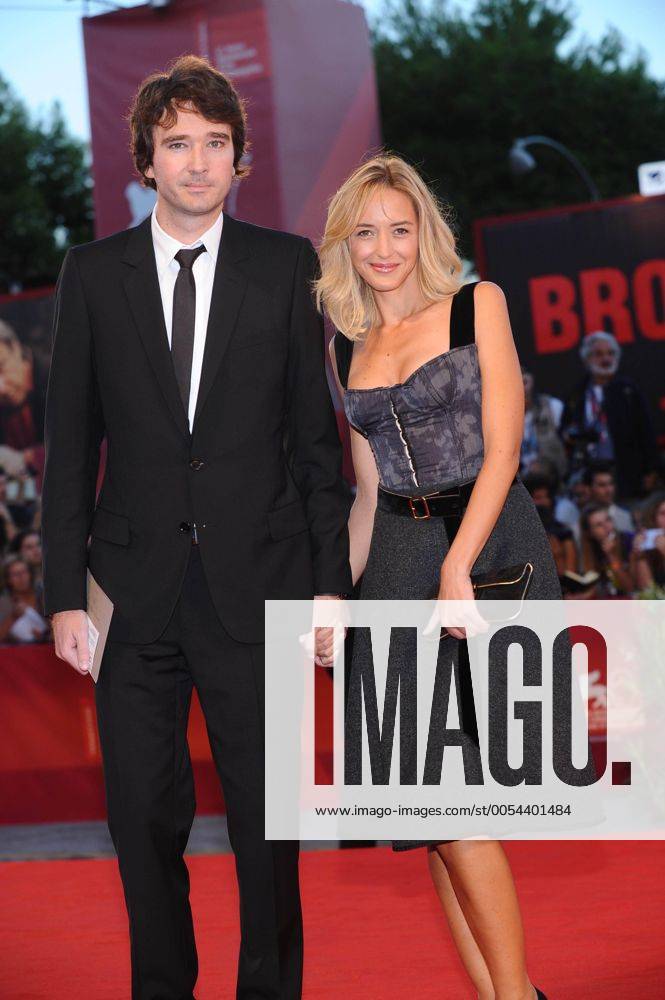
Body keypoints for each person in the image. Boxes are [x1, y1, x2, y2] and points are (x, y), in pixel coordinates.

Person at [42, 55, 352, 1000]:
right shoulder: (93, 276)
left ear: (238, 158)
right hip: (131, 600)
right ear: (146, 160)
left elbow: (315, 444)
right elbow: (70, 445)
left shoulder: (284, 266)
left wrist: (331, 586)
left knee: (268, 826)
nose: (198, 161)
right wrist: (61, 597)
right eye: (177, 143)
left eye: (215, 143)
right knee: (140, 818)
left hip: (258, 588)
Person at [317, 153, 552, 1000]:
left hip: (490, 550)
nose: (383, 248)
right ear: (346, 243)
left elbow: (505, 449)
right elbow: (367, 489)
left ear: (424, 233)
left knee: (460, 804)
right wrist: (331, 597)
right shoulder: (347, 343)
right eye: (366, 232)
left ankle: (517, 994)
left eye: (398, 229)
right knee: (425, 812)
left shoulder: (474, 304)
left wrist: (456, 566)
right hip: (395, 556)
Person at [560, 330, 658, 500]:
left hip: (626, 470)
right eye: (598, 354)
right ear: (586, 358)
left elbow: (646, 431)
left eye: (611, 353)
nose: (606, 359)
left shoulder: (628, 390)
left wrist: (651, 469)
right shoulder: (577, 394)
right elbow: (564, 431)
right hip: (589, 474)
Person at [523, 473, 577, 576]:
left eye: (546, 497)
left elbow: (570, 574)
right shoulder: (521, 533)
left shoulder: (563, 533)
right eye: (538, 498)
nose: (544, 502)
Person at [519, 365, 567, 480]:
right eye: (514, 384)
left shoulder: (552, 406)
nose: (521, 388)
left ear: (532, 381)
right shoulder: (501, 418)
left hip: (550, 477)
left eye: (524, 382)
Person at [579, 504, 635, 596]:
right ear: (590, 533)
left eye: (608, 520)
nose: (606, 526)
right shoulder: (591, 549)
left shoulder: (629, 540)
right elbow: (595, 585)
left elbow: (629, 587)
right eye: (599, 525)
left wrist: (611, 556)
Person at [0, 554, 50, 644]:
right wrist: (13, 617)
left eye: (24, 572)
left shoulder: (43, 596)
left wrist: (45, 636)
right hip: (15, 654)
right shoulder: (4, 603)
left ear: (30, 574)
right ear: (8, 579)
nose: (21, 577)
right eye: (15, 574)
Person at [583, 461, 634, 533]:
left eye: (611, 483)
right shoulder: (581, 520)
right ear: (588, 489)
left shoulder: (625, 517)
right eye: (602, 485)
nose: (609, 490)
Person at [631, 491, 665, 593]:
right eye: (663, 514)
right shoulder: (650, 545)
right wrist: (641, 556)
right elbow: (647, 594)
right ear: (654, 519)